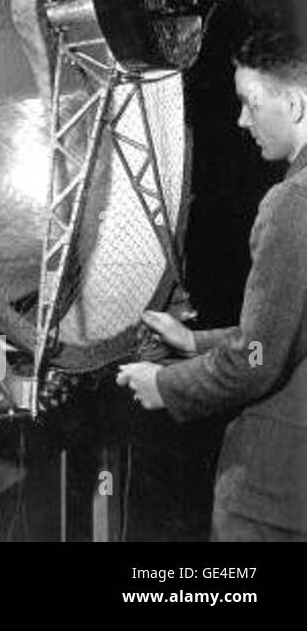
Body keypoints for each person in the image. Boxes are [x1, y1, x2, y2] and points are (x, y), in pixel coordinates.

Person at [117, 29, 307, 541]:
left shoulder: (292, 204)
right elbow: (291, 333)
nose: (242, 120)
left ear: (293, 103)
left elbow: (258, 361)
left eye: (250, 103)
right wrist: (193, 342)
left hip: (273, 498)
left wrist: (166, 386)